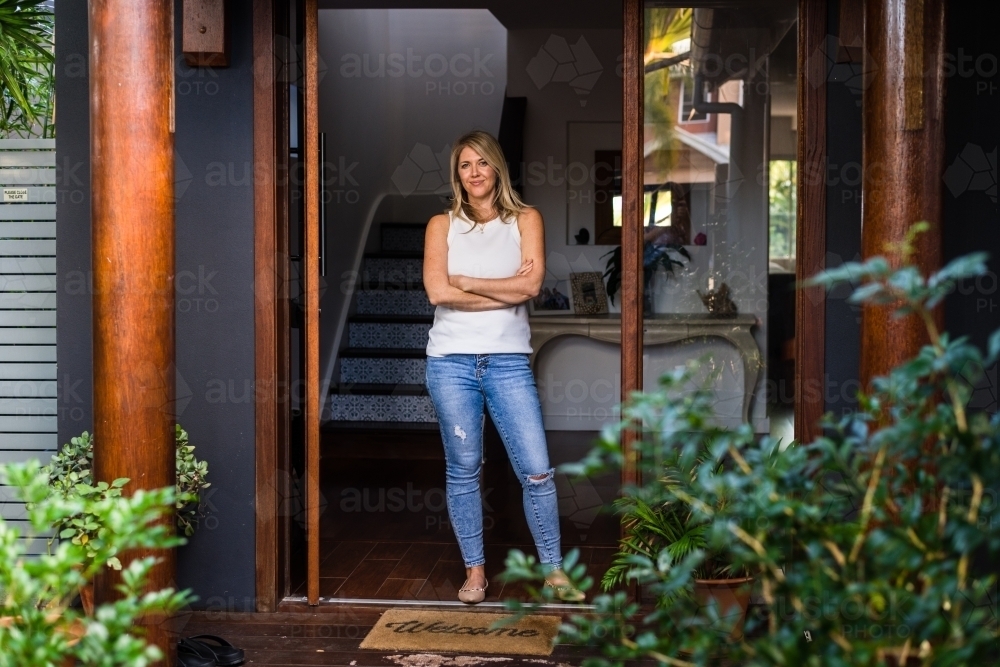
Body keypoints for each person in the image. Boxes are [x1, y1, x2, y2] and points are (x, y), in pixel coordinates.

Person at [423, 130, 583, 604]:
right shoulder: (441, 225)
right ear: (458, 173)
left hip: (509, 362)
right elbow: (437, 292)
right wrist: (501, 288)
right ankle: (475, 573)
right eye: (464, 165)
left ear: (497, 168)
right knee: (464, 469)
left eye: (482, 163)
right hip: (450, 362)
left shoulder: (525, 220)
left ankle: (553, 571)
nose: (473, 173)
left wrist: (466, 280)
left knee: (536, 470)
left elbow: (530, 286)